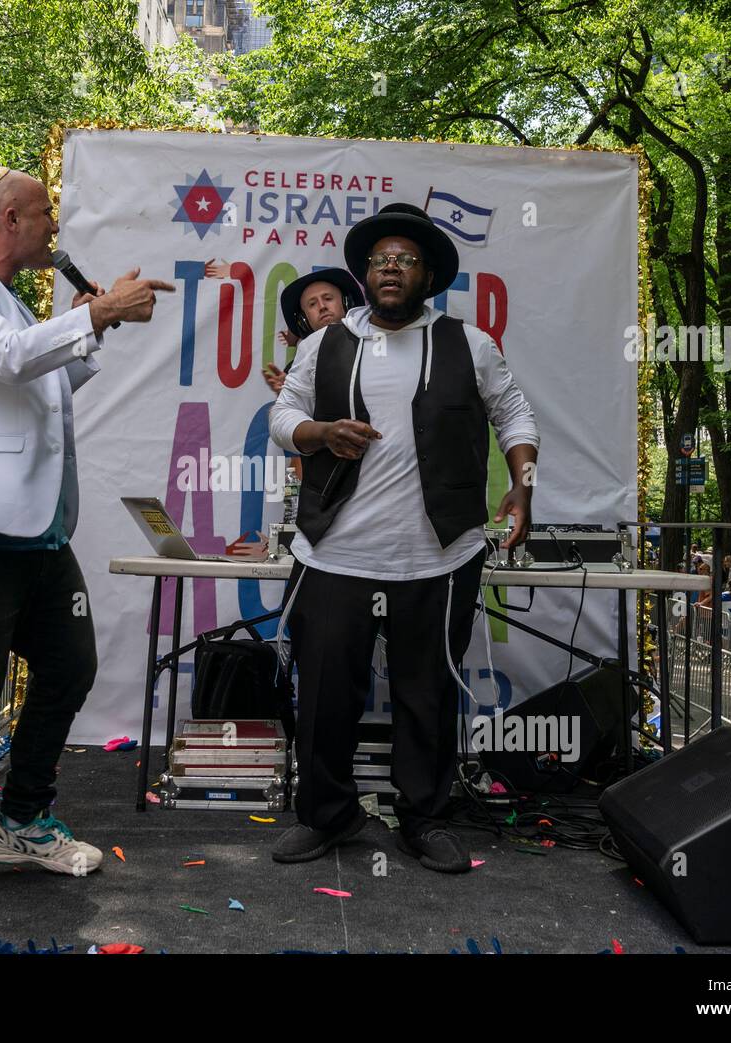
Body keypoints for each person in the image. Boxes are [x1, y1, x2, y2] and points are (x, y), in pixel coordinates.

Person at [0, 165, 174, 926]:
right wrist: (99, 312)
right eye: (45, 212)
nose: (54, 225)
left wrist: (97, 324)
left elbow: (40, 383)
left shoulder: (11, 301)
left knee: (70, 663)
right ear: (11, 219)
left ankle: (19, 822)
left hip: (37, 529)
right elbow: (11, 358)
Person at [268, 202, 539, 872]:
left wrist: (523, 481)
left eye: (407, 259)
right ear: (366, 274)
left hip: (439, 557)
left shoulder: (468, 343)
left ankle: (424, 816)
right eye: (381, 258)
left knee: (427, 694)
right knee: (328, 692)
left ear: (428, 276)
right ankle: (328, 814)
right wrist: (320, 434)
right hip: (334, 553)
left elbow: (513, 410)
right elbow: (283, 414)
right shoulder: (325, 343)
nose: (392, 267)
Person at [261, 267, 365, 394]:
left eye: (328, 298)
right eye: (312, 304)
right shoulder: (295, 370)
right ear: (304, 320)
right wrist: (290, 396)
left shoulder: (372, 346)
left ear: (347, 303)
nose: (322, 307)